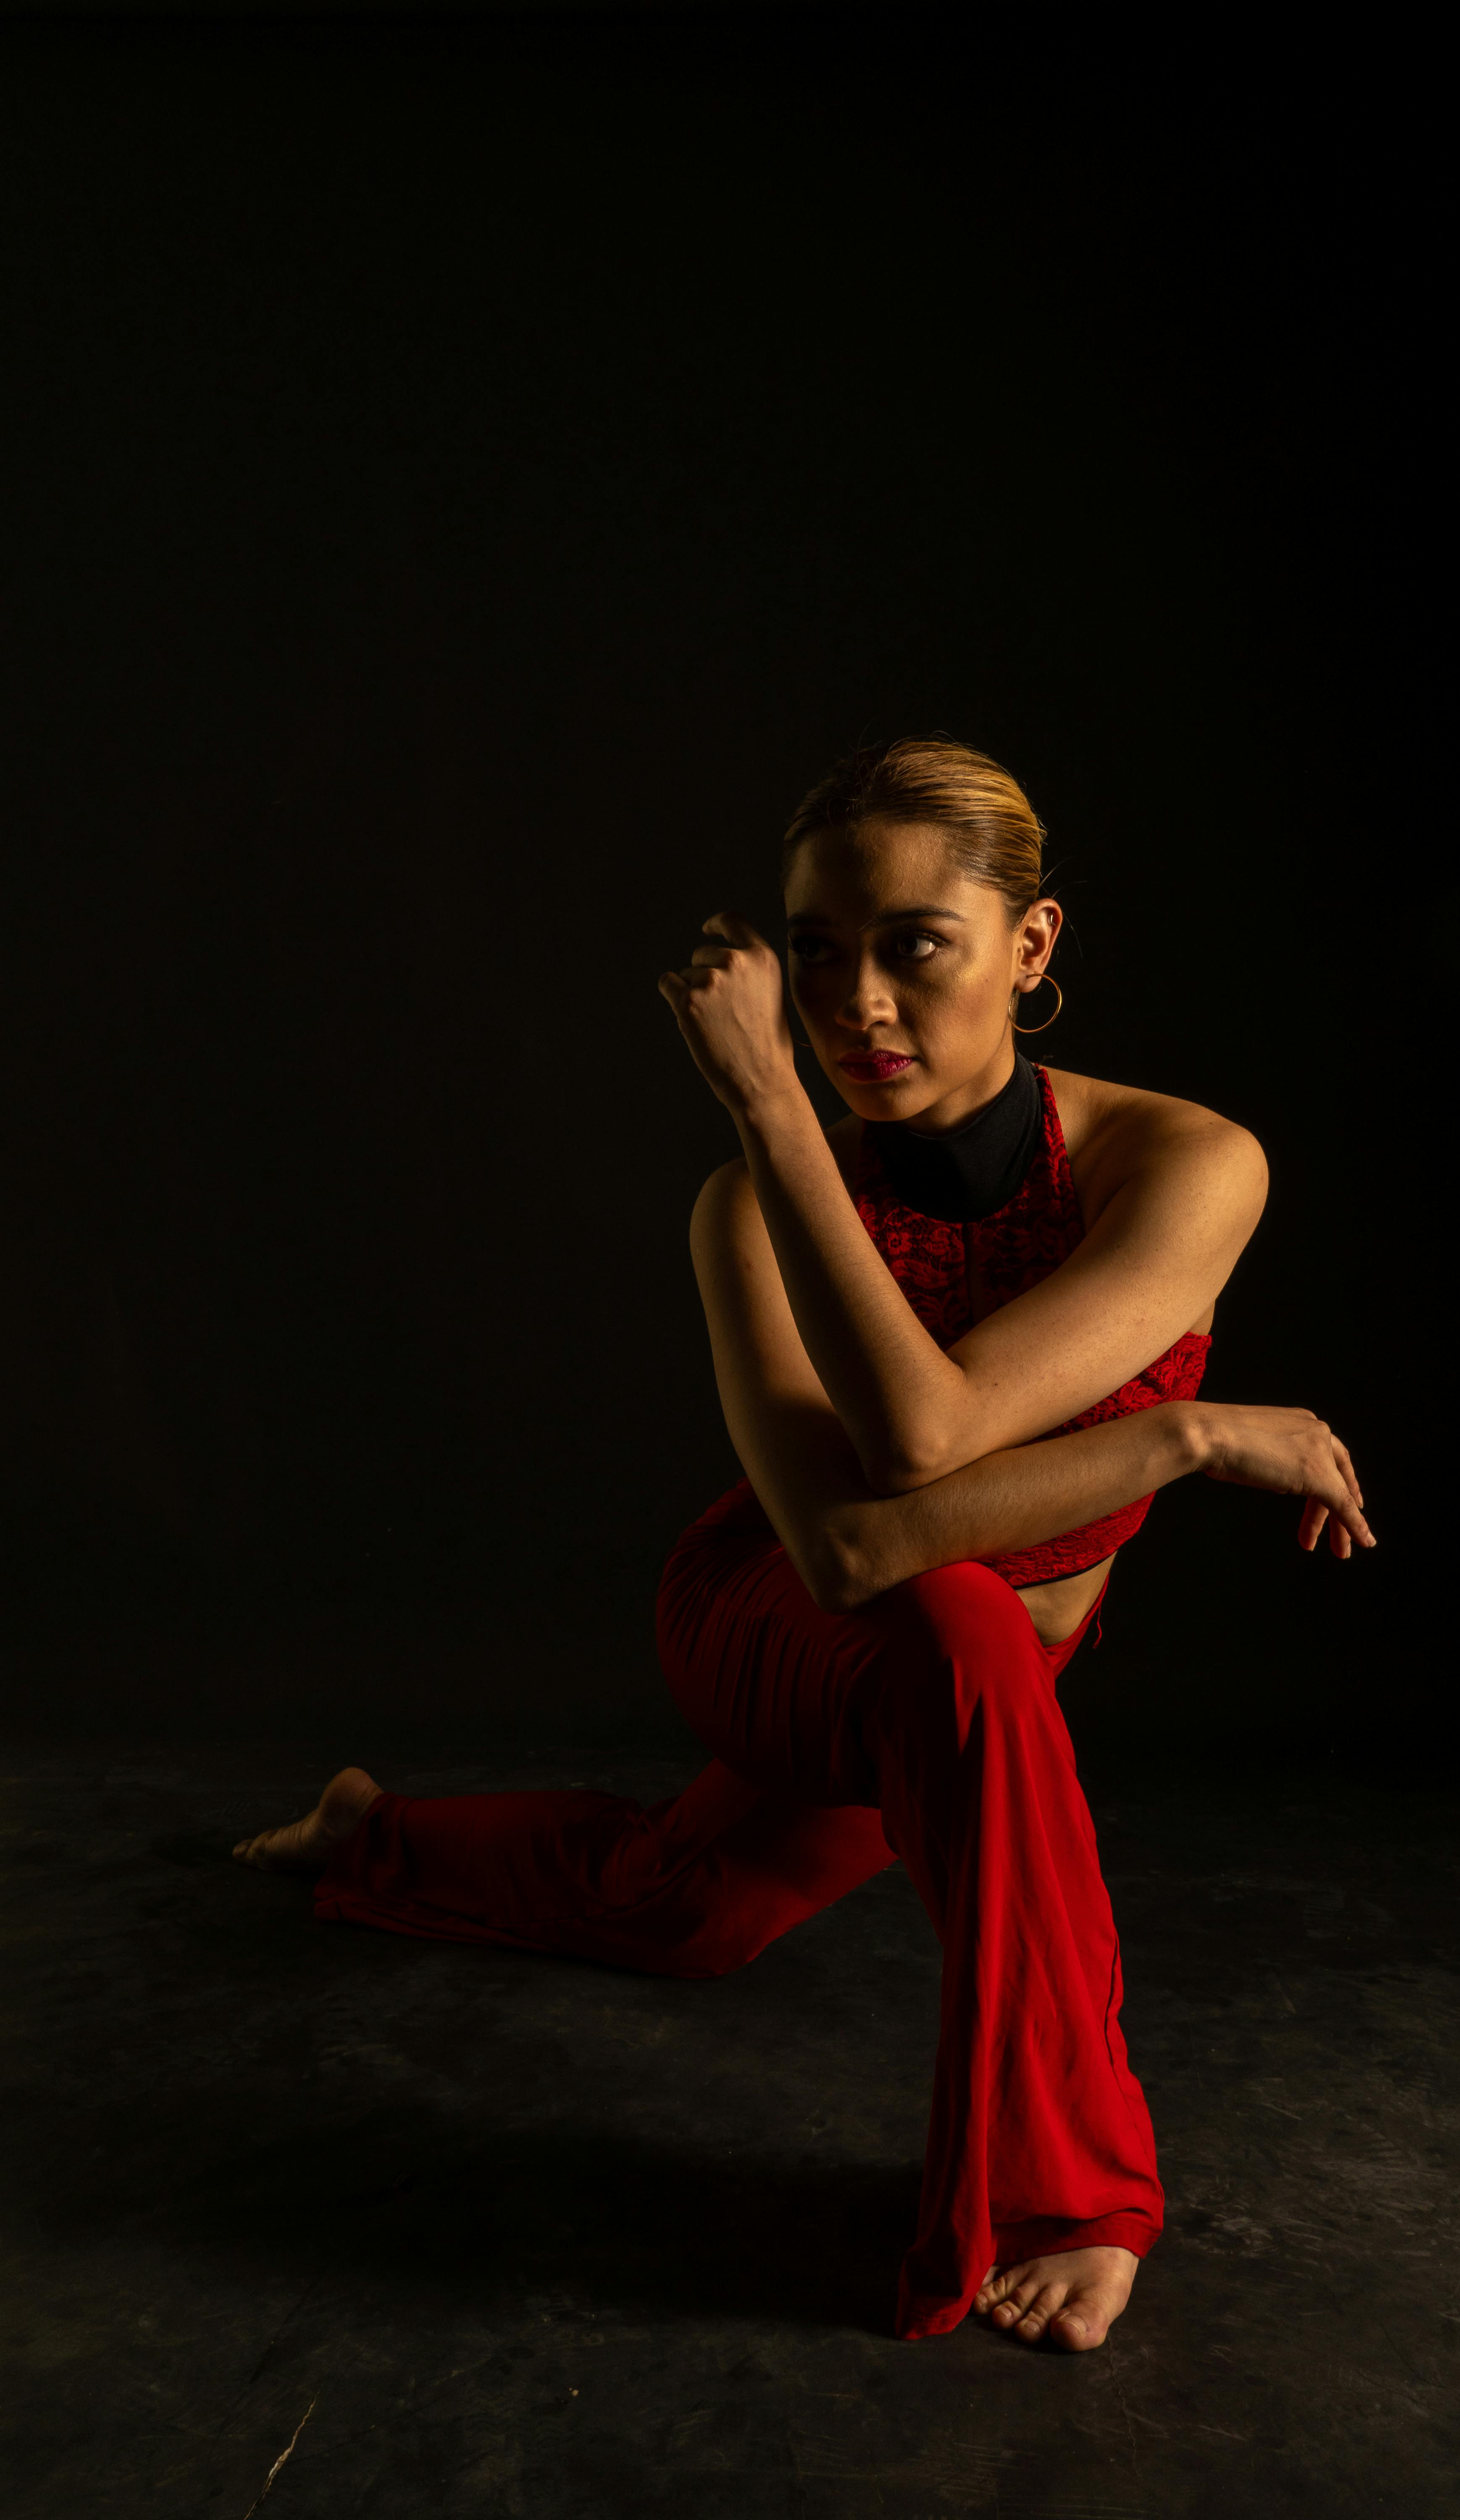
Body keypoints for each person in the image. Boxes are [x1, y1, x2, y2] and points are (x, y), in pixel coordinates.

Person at [234, 737, 1373, 2352]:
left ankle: (376, 1836)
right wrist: (1185, 1438)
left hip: (970, 1667)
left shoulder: (1183, 1164)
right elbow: (866, 1523)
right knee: (960, 1628)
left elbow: (941, 1453)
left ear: (1031, 947)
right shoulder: (752, 1197)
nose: (859, 1005)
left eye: (917, 946)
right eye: (819, 955)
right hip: (784, 1609)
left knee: (682, 1910)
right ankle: (1073, 2197)